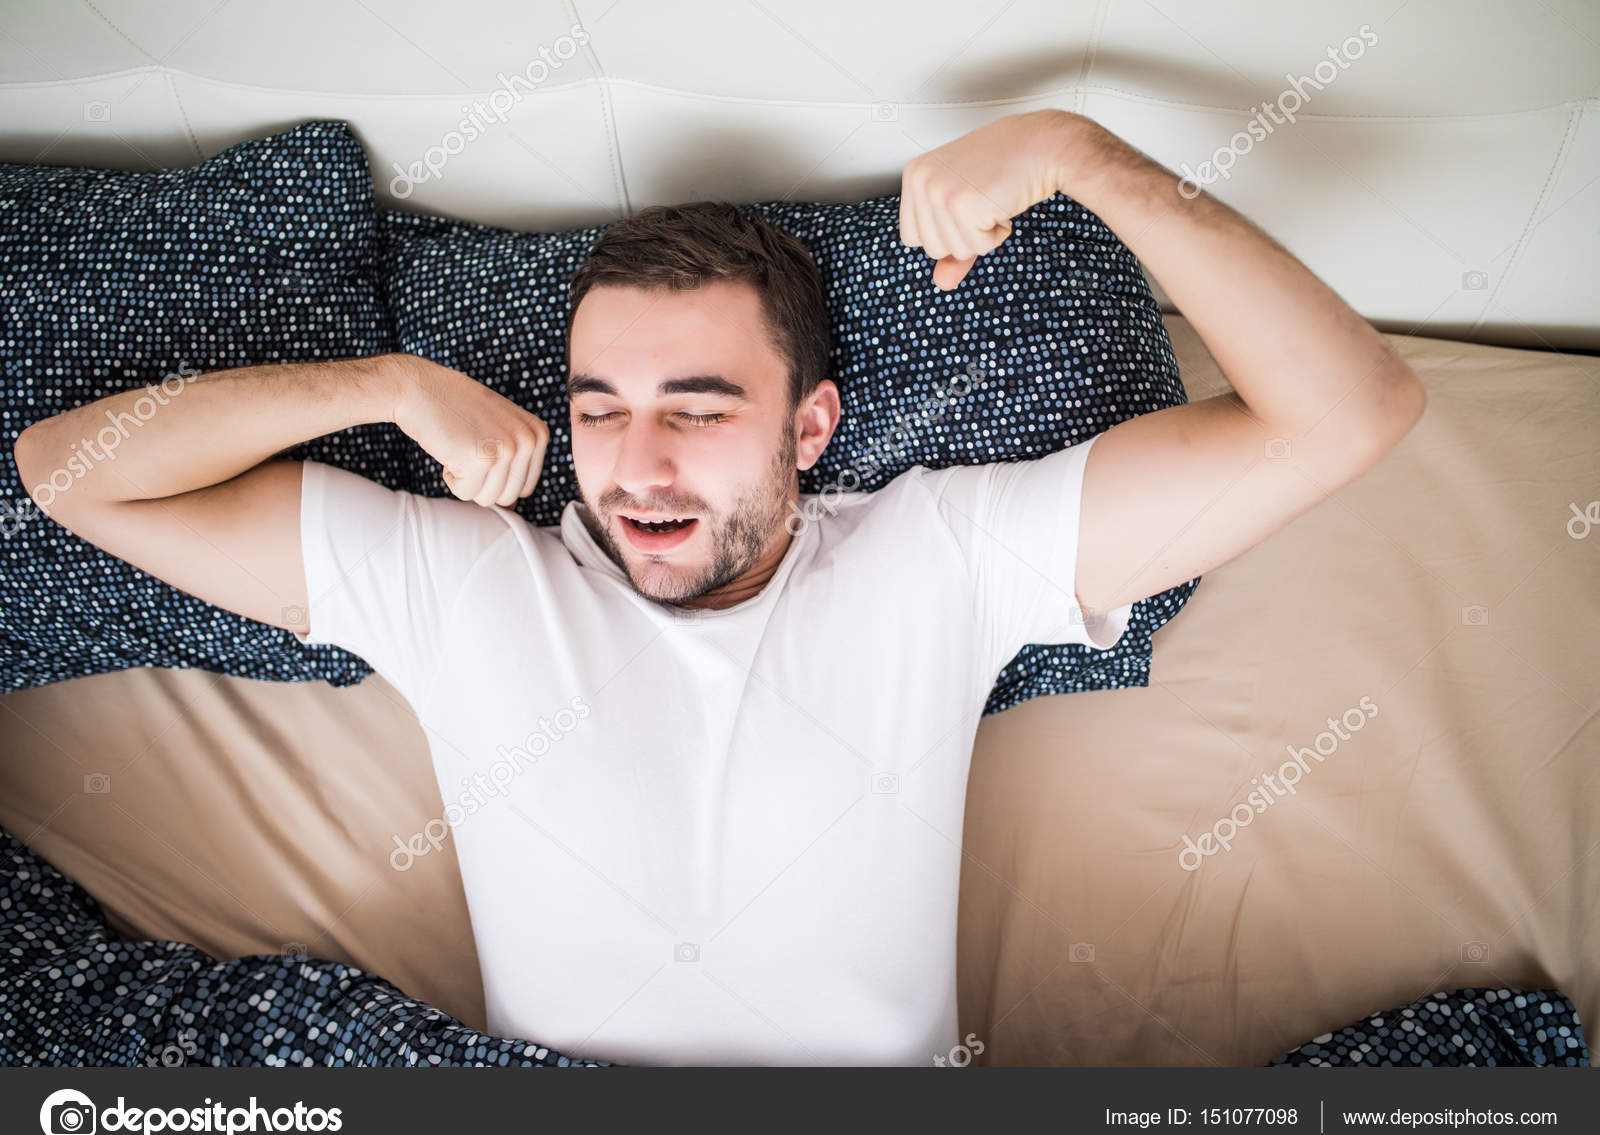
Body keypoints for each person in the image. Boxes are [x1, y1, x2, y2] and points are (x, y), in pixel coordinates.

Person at [12, 109, 1426, 1066]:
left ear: (810, 429)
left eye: (699, 408)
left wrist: (1082, 156)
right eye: (600, 407)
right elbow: (72, 473)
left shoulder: (941, 554)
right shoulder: (455, 576)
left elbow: (1352, 411)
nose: (638, 467)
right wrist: (384, 384)